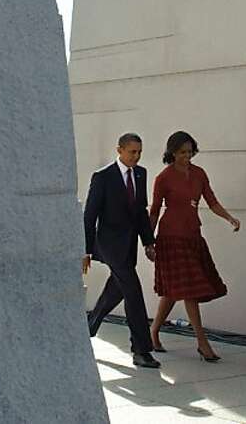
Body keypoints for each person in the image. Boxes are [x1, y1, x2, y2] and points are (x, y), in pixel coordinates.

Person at [148, 130, 240, 362]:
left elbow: (212, 201)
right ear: (172, 152)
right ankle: (202, 341)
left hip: (192, 235)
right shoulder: (164, 177)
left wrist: (229, 218)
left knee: (173, 290)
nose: (187, 157)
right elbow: (155, 210)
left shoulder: (199, 174)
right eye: (182, 153)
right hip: (170, 237)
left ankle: (153, 331)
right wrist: (148, 240)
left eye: (190, 152)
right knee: (188, 290)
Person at [83, 132, 160, 368]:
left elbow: (140, 212)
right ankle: (141, 350)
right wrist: (85, 250)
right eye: (131, 152)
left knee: (116, 289)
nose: (136, 157)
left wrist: (148, 241)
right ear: (119, 150)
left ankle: (89, 326)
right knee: (133, 292)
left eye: (139, 152)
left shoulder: (140, 173)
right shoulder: (102, 177)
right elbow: (89, 216)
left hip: (129, 246)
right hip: (108, 245)